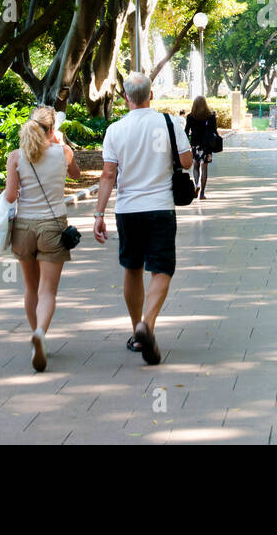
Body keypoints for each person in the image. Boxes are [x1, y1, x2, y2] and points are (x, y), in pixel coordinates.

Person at [94, 72, 191, 366]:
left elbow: (108, 174)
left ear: (125, 98)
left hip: (127, 209)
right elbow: (187, 161)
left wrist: (99, 214)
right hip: (160, 207)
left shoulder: (115, 130)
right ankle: (147, 324)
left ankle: (136, 330)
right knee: (161, 269)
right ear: (152, 95)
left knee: (132, 267)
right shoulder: (169, 122)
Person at [4, 106, 82, 372]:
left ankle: (35, 334)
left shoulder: (16, 156)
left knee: (30, 287)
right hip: (53, 226)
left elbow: (11, 196)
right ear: (52, 129)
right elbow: (76, 175)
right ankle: (40, 332)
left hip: (24, 227)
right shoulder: (63, 152)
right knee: (47, 290)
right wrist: (60, 144)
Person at [184, 96, 218, 200]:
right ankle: (202, 193)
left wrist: (187, 143)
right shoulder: (211, 116)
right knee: (204, 168)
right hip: (207, 146)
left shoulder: (190, 116)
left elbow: (186, 131)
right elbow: (214, 131)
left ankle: (196, 184)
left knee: (195, 166)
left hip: (195, 145)